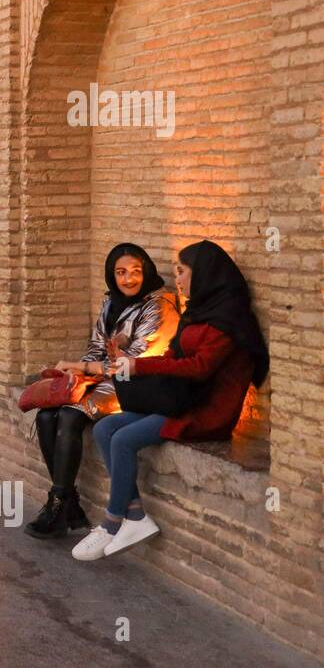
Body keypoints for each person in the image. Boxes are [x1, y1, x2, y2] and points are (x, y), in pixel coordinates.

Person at [74, 240, 269, 562]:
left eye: (182, 272)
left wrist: (140, 365)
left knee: (123, 438)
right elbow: (177, 354)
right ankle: (135, 516)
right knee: (104, 428)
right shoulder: (200, 310)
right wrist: (127, 360)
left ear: (204, 274)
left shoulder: (229, 319)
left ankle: (111, 523)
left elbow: (199, 367)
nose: (176, 280)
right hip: (180, 399)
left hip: (205, 410)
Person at [26, 243, 178, 540]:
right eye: (121, 273)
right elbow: (97, 347)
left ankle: (59, 506)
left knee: (70, 417)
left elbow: (131, 362)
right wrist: (77, 372)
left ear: (146, 270)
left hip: (134, 385)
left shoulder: (160, 306)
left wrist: (80, 366)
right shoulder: (111, 302)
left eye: (135, 271)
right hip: (103, 379)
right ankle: (67, 504)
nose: (129, 279)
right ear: (112, 275)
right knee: (46, 416)